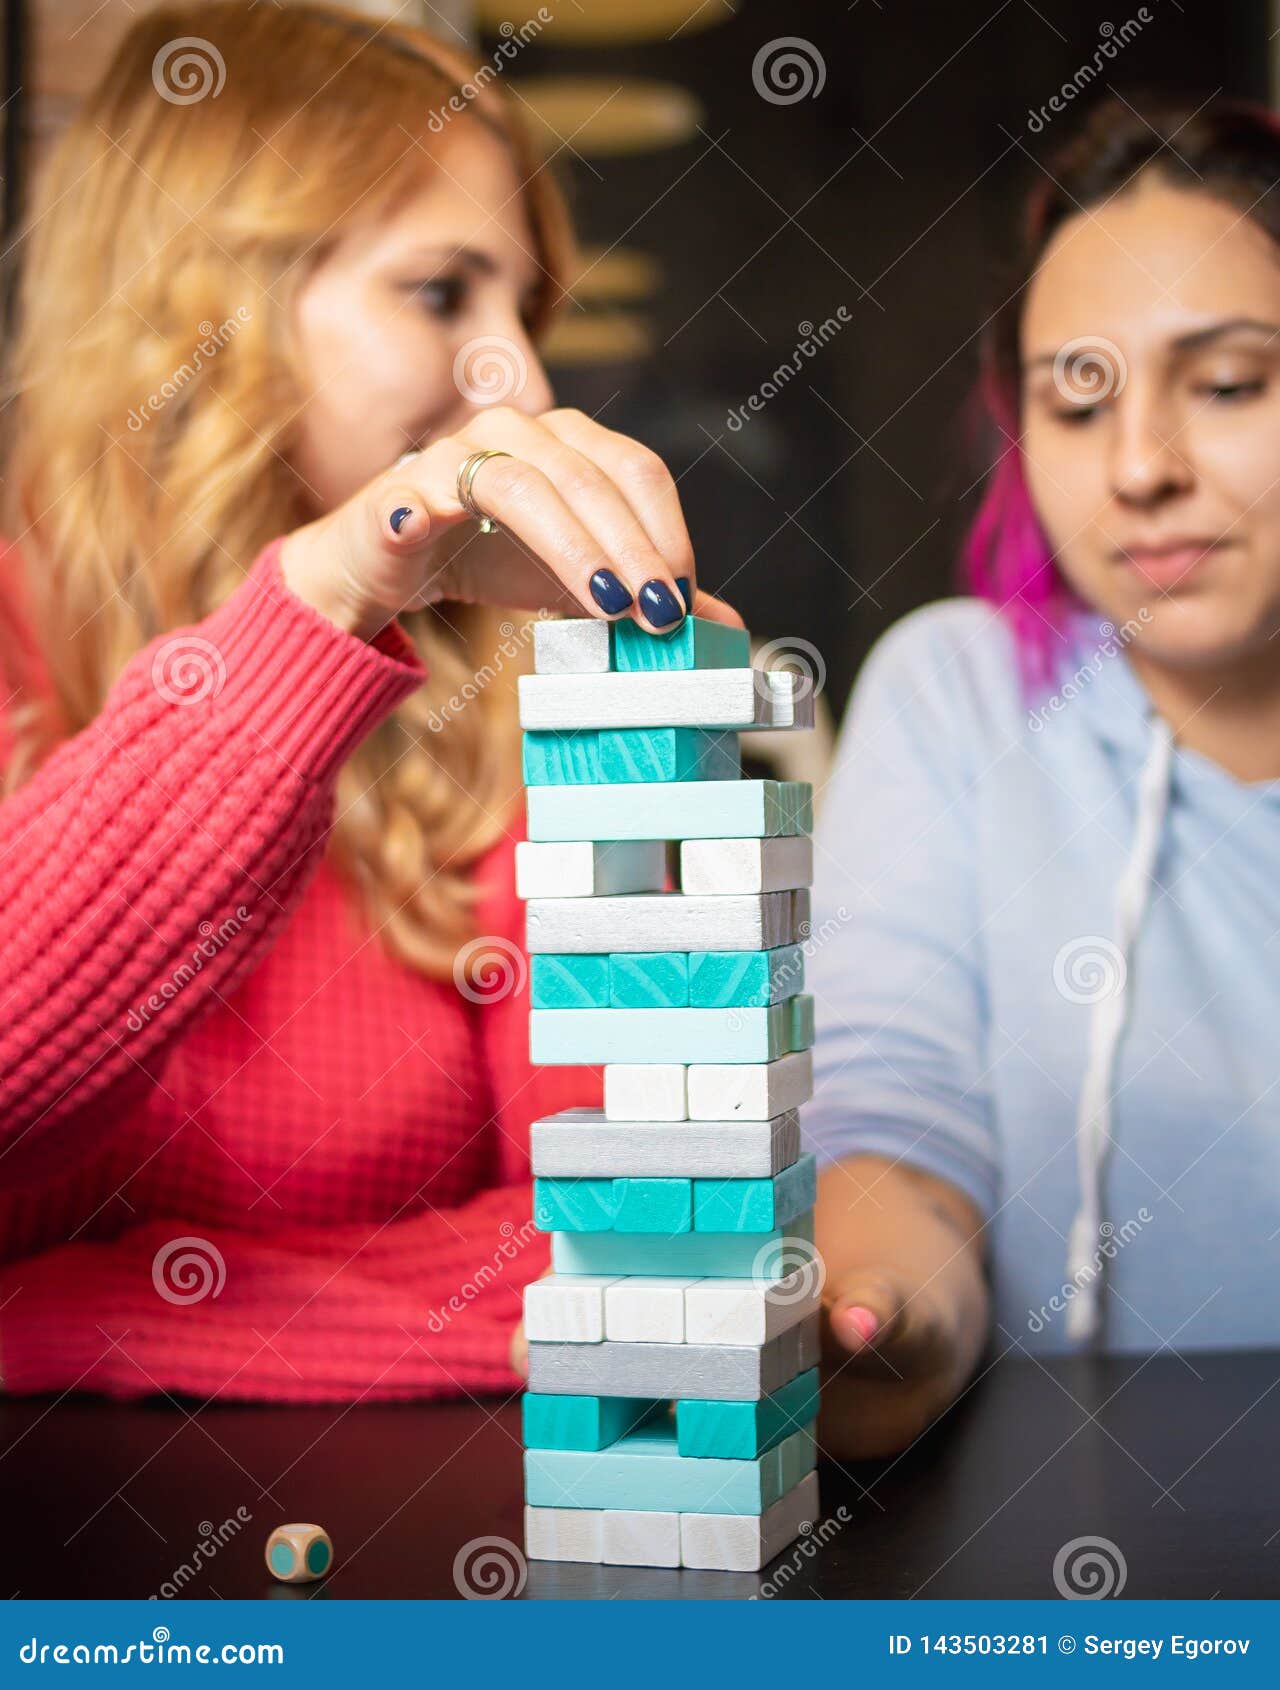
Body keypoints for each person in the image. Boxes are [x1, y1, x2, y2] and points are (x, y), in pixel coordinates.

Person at [0, 2, 739, 1400]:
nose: (514, 378)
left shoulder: (495, 709)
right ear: (210, 304)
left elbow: (634, 1246)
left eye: (528, 310)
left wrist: (83, 1318)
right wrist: (324, 590)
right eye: (442, 292)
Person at [808, 91, 1280, 1460]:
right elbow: (893, 1116)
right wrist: (877, 1311)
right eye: (1079, 398)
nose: (1141, 467)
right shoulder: (957, 697)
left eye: (1232, 383)